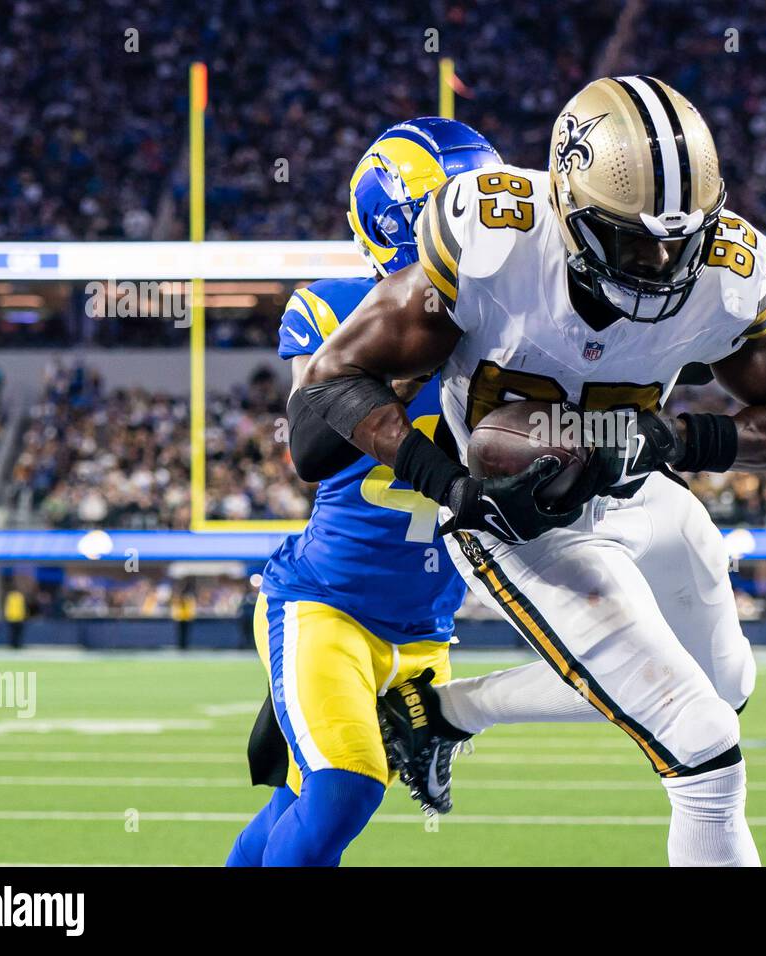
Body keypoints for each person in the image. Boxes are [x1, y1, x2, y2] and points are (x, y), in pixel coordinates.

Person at [293, 76, 766, 866]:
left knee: (726, 684)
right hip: (524, 520)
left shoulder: (721, 263)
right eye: (634, 239)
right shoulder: (496, 242)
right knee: (703, 744)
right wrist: (452, 485)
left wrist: (672, 440)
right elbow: (323, 396)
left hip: (636, 488)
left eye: (681, 239)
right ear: (567, 209)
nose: (662, 261)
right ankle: (445, 715)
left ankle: (443, 714)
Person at [225, 118, 503, 867]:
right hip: (327, 603)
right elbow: (310, 440)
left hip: (425, 626)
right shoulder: (337, 306)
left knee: (297, 803)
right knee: (345, 789)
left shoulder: (512, 322)